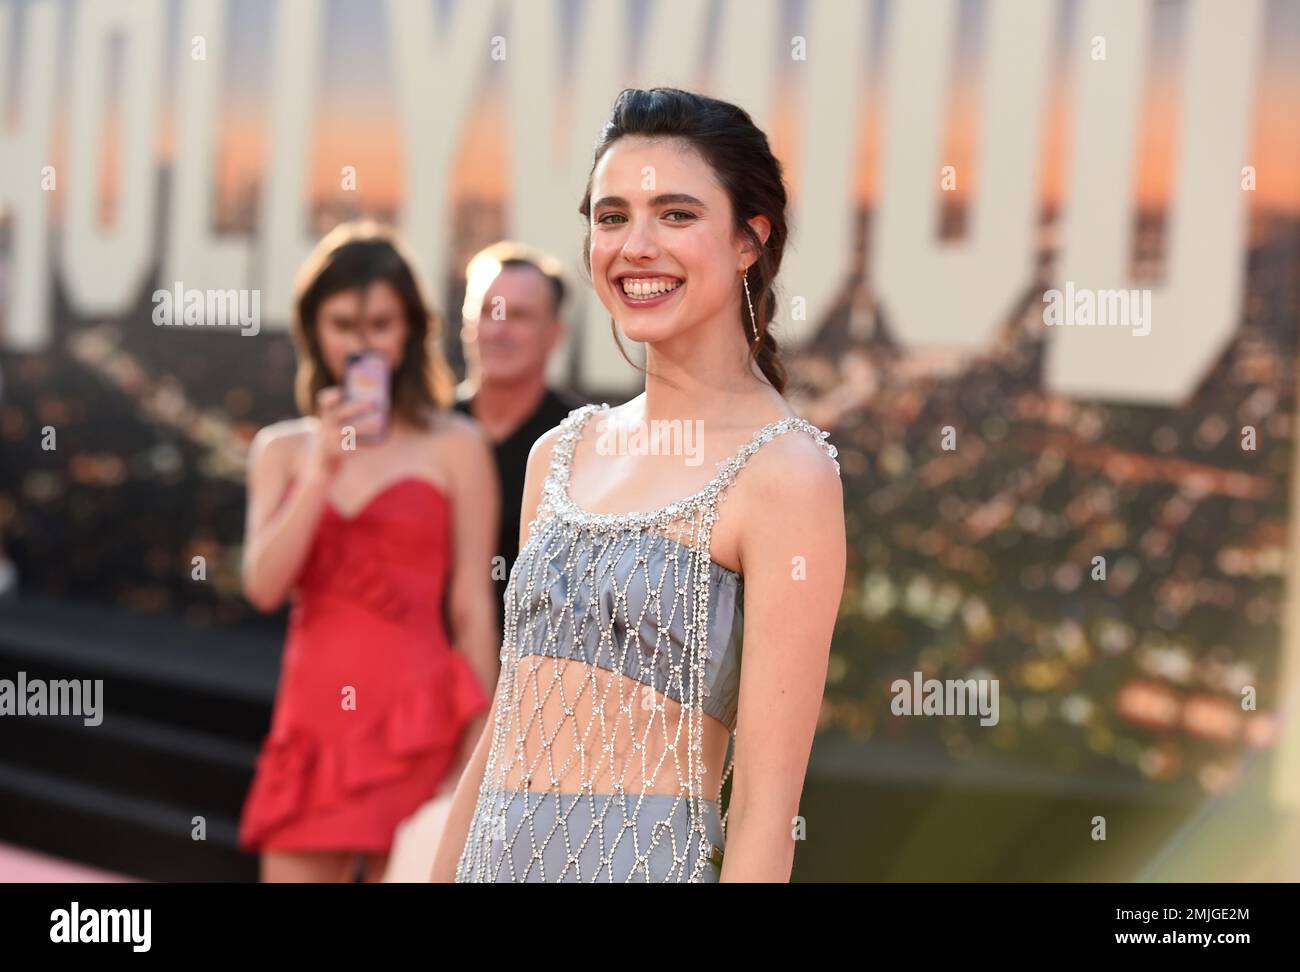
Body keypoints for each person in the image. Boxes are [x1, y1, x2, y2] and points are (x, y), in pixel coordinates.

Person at [434, 87, 845, 883]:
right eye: (613, 216)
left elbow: (765, 809)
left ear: (748, 241)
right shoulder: (557, 454)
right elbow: (506, 726)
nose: (636, 246)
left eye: (677, 215)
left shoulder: (785, 472)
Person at [237, 221, 499, 882]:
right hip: (312, 727)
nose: (363, 344)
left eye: (381, 323)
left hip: (422, 723)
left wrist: (479, 749)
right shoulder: (283, 448)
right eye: (343, 324)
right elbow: (264, 586)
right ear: (313, 330)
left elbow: (472, 605)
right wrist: (321, 468)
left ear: (409, 328)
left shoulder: (456, 445)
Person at [452, 242, 581, 630]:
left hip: (538, 670)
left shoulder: (583, 441)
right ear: (465, 324)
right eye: (488, 312)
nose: (499, 330)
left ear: (555, 332)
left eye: (519, 316)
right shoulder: (426, 431)